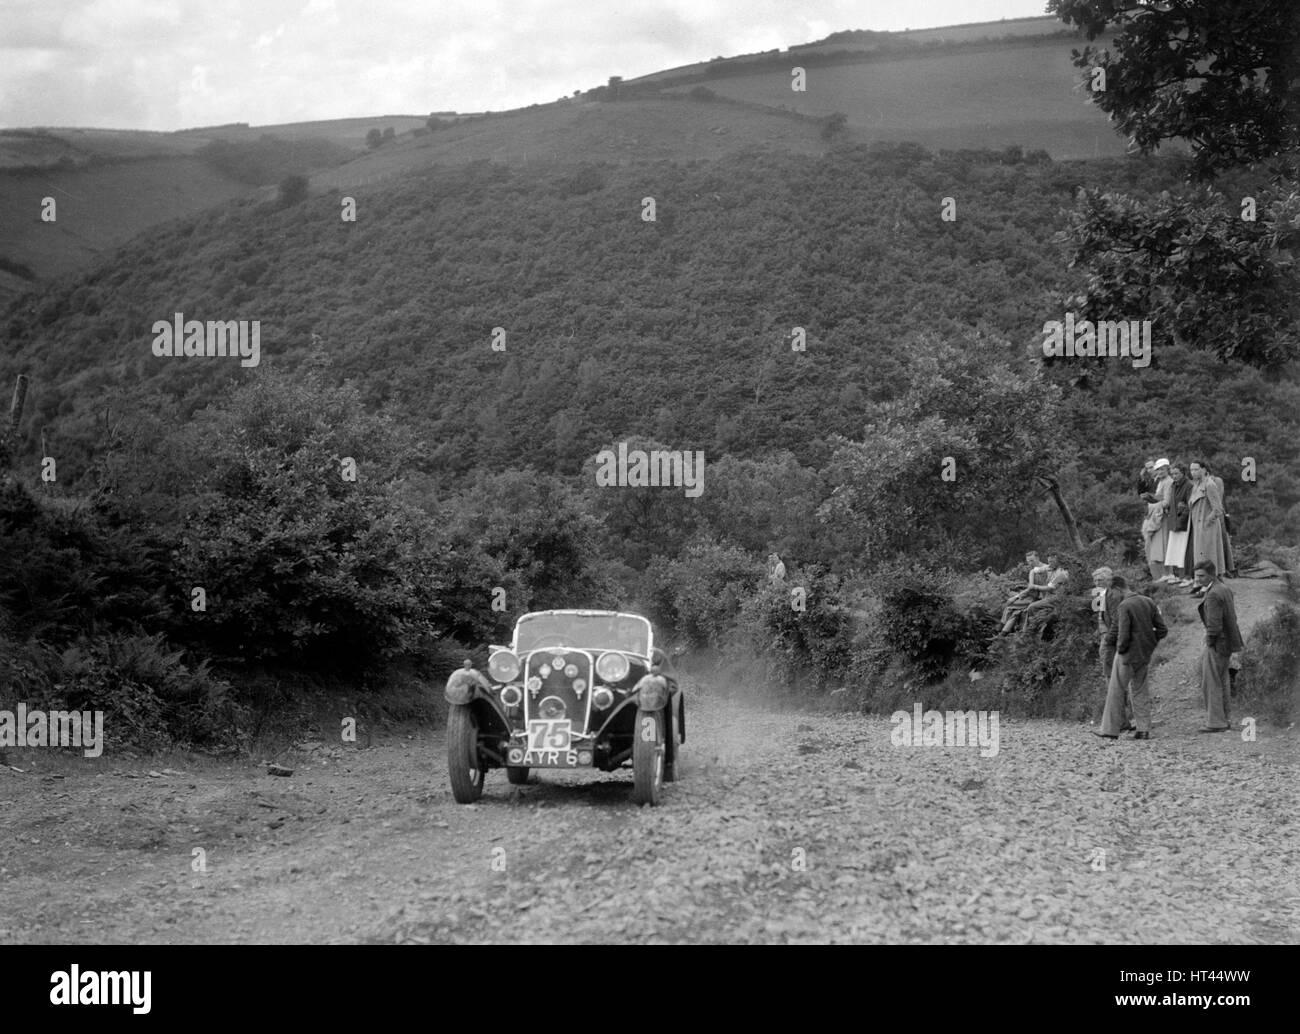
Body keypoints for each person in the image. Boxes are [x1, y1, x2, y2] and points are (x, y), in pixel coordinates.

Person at [1095, 578, 1168, 740]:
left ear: (1117, 589)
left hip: (1127, 655)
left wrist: (1119, 649)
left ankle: (1110, 730)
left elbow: (1123, 633)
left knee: (1116, 690)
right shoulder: (1148, 601)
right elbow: (1162, 630)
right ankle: (1143, 730)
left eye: (1112, 592)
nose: (1112, 596)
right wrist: (1149, 643)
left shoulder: (1124, 605)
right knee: (1140, 690)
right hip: (1144, 654)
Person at [1193, 560, 1243, 732]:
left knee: (1211, 681)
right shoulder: (1224, 588)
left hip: (1218, 643)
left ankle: (1215, 722)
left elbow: (1214, 625)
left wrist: (1209, 642)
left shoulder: (1214, 593)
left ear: (1212, 574)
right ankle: (1224, 719)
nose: (1198, 579)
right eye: (1197, 575)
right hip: (1228, 642)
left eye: (1201, 575)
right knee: (1222, 680)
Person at [1093, 568, 1131, 730]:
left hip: (1111, 639)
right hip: (1108, 636)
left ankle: (1121, 720)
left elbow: (1116, 619)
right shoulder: (1102, 595)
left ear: (1109, 580)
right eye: (1095, 581)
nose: (1097, 584)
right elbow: (1100, 613)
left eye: (1100, 581)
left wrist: (1108, 638)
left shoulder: (1113, 595)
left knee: (1113, 679)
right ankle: (1123, 719)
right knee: (1114, 678)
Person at [1187, 461, 1230, 582]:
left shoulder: (1210, 484)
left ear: (1204, 469)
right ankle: (1202, 584)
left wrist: (1206, 522)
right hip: (1197, 526)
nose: (1193, 472)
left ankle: (1211, 584)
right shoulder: (1196, 485)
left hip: (1207, 528)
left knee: (1208, 557)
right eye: (1191, 470)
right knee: (1201, 557)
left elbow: (1218, 509)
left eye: (1196, 469)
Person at [998, 551, 1050, 634]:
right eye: (1028, 561)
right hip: (1034, 595)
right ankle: (1001, 632)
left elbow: (1038, 588)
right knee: (1014, 610)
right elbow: (1030, 588)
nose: (1029, 563)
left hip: (1044, 598)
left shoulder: (1047, 568)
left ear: (1038, 558)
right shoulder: (1032, 571)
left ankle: (1001, 631)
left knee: (1011, 606)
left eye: (1032, 560)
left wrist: (1016, 597)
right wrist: (1017, 596)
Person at [1161, 464, 1192, 585]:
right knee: (1175, 550)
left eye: (1177, 473)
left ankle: (1187, 577)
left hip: (1183, 521)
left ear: (1183, 473)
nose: (1174, 476)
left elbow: (1188, 505)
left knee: (1183, 549)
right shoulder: (1174, 485)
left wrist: (1182, 519)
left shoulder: (1188, 485)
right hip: (1174, 520)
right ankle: (1178, 575)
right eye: (1172, 474)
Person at [1023, 556, 1070, 636]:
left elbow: (1048, 588)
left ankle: (1035, 630)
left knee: (1032, 607)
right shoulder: (1050, 567)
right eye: (1049, 562)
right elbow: (1034, 570)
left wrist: (1034, 586)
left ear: (1058, 561)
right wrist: (1031, 582)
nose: (1049, 564)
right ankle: (1031, 629)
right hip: (1049, 595)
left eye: (1052, 562)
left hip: (1057, 597)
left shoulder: (1062, 573)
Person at [1145, 458, 1172, 581]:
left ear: (1167, 469)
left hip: (1163, 517)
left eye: (1162, 469)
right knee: (1157, 547)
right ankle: (1162, 575)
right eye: (1158, 469)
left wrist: (1152, 504)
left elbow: (1166, 502)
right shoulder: (1161, 481)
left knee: (1164, 545)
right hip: (1157, 517)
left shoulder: (1168, 482)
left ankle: (1167, 574)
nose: (1160, 471)